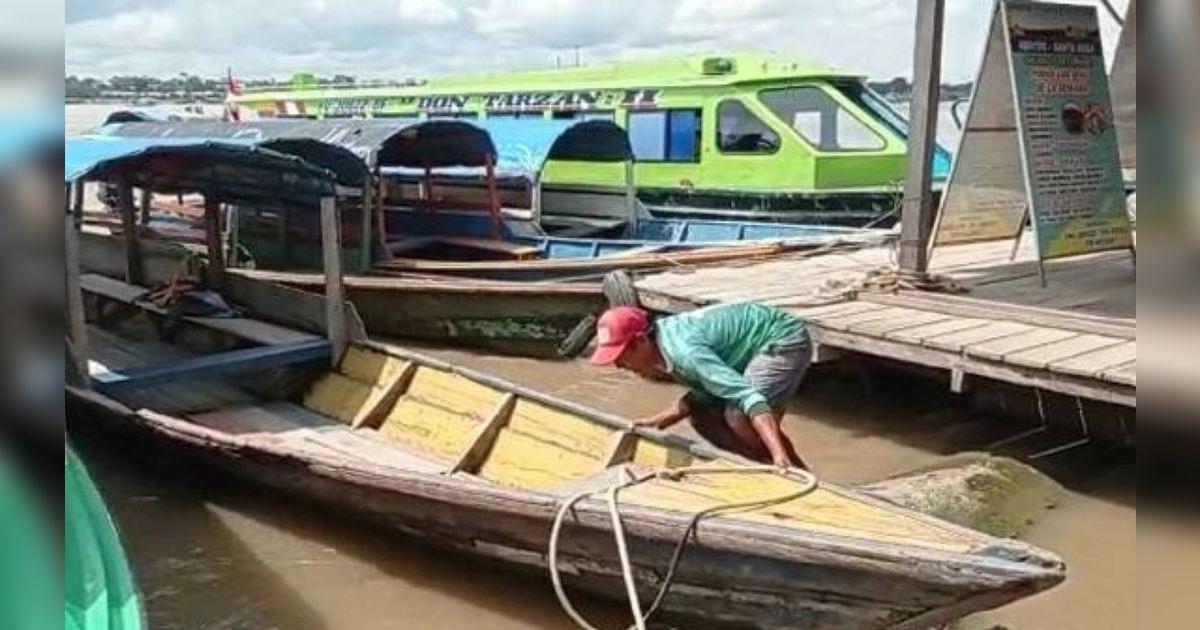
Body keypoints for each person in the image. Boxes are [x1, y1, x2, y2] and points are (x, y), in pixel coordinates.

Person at [590, 303, 812, 469]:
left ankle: (791, 470)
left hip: (781, 339)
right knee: (700, 415)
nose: (619, 366)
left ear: (640, 341)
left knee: (738, 416)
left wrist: (778, 453)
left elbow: (750, 399)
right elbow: (704, 390)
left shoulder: (686, 354)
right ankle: (755, 463)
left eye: (620, 357)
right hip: (744, 345)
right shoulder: (664, 349)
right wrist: (660, 420)